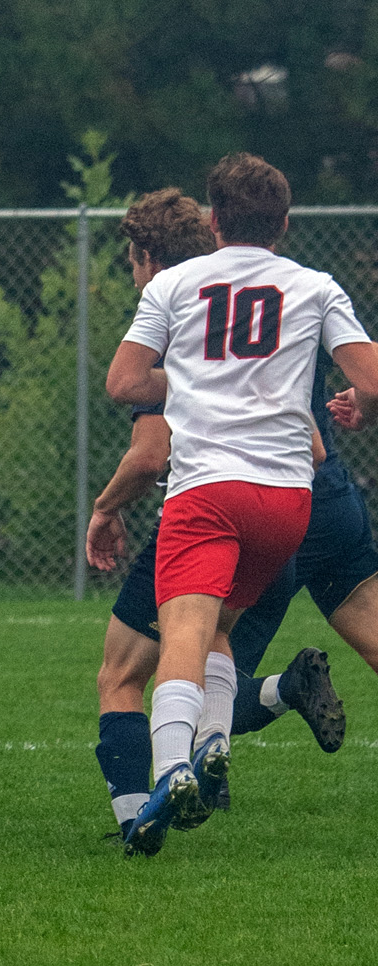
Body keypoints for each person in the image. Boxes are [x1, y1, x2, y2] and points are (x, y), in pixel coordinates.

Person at [107, 154, 378, 856]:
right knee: (225, 626)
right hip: (288, 502)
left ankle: (173, 771)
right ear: (285, 224)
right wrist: (362, 405)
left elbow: (126, 382)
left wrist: (194, 377)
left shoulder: (173, 283)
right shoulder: (315, 287)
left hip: (209, 492)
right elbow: (371, 377)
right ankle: (217, 741)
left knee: (185, 637)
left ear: (214, 220)